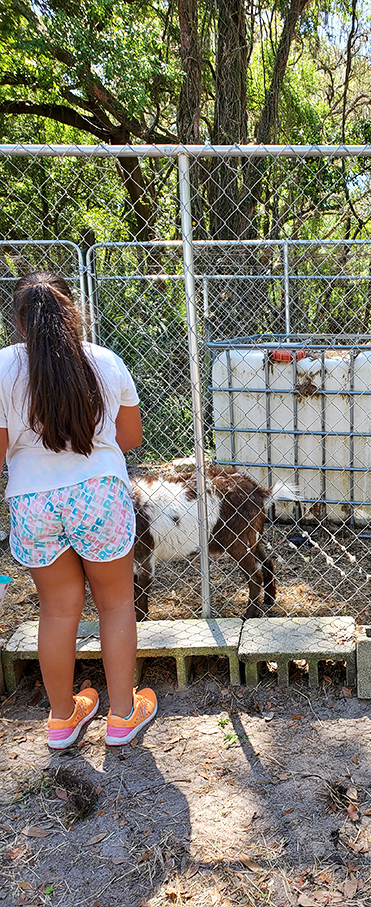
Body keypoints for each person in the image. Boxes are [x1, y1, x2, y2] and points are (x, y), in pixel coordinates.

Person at [0, 272, 156, 749]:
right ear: (73, 312)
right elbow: (130, 438)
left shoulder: (3, 367)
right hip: (98, 495)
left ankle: (63, 719)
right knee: (115, 605)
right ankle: (122, 716)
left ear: (19, 323)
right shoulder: (105, 361)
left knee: (57, 612)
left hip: (33, 501)